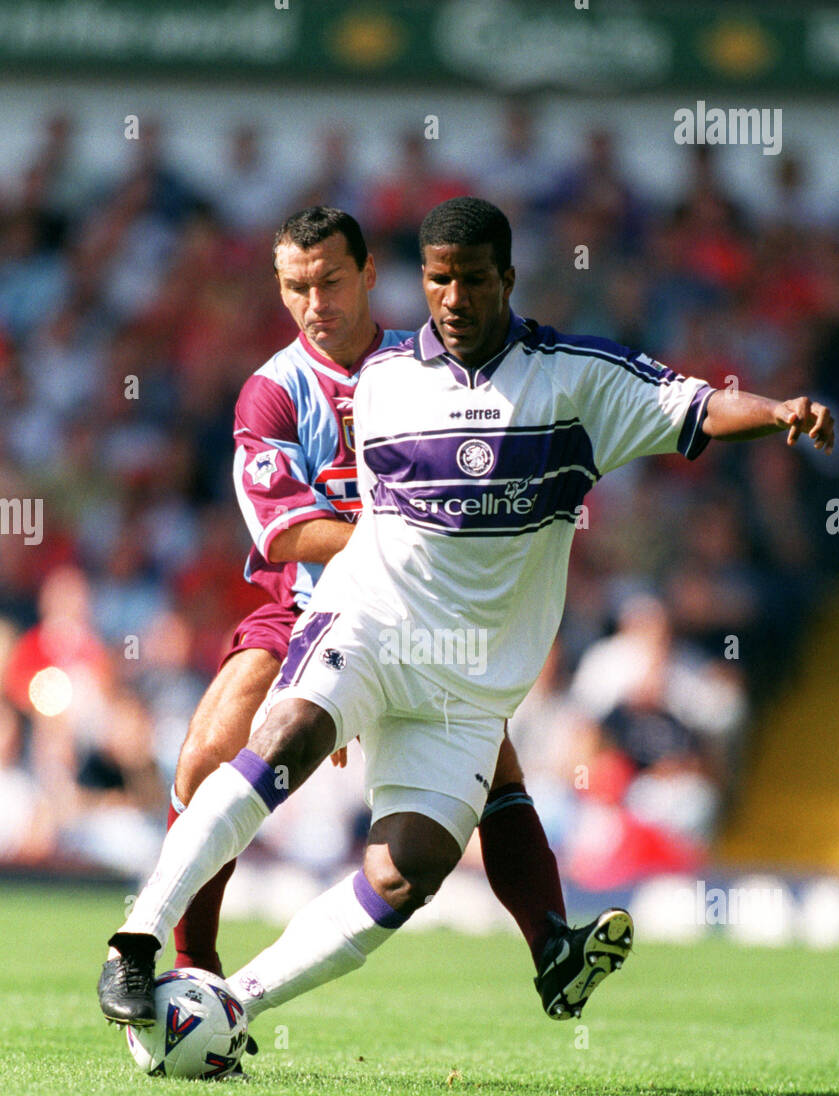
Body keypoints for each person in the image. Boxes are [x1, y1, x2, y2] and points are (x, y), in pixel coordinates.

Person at [98, 195, 833, 1043]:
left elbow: (695, 406)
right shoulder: (368, 385)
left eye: (471, 280)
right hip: (360, 622)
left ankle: (233, 1007)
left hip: (469, 676)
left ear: (505, 279)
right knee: (263, 741)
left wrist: (776, 412)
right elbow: (324, 534)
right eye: (439, 280)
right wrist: (328, 674)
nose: (452, 298)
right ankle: (140, 939)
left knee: (408, 871)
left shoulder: (577, 377)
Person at [132, 203, 580, 1010]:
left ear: (370, 275)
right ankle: (193, 961)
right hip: (302, 608)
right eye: (295, 288)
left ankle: (553, 944)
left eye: (330, 281)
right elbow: (286, 534)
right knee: (205, 755)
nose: (315, 303)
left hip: (418, 612)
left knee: (487, 759)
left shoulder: (430, 371)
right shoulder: (273, 391)